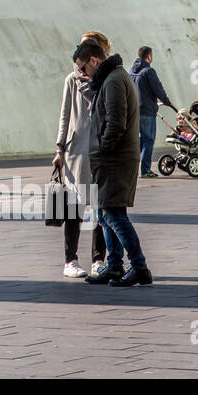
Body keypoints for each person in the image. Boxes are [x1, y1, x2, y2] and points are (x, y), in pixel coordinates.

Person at [72, 39, 153, 287]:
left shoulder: (114, 80)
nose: (82, 73)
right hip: (108, 159)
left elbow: (115, 123)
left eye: (83, 68)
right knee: (104, 214)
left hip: (114, 160)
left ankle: (139, 267)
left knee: (114, 215)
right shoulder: (109, 79)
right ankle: (115, 266)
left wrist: (104, 149)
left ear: (94, 61)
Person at [52, 31, 110, 279]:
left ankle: (99, 259)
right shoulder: (71, 80)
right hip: (75, 151)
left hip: (99, 149)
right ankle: (70, 259)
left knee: (99, 206)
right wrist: (59, 148)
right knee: (73, 205)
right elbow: (65, 114)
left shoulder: (107, 79)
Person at [130, 46, 176, 178]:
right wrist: (167, 102)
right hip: (147, 111)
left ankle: (131, 169)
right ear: (149, 56)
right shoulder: (148, 71)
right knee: (148, 140)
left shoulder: (131, 72)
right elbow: (158, 89)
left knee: (137, 141)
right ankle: (146, 170)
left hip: (134, 111)